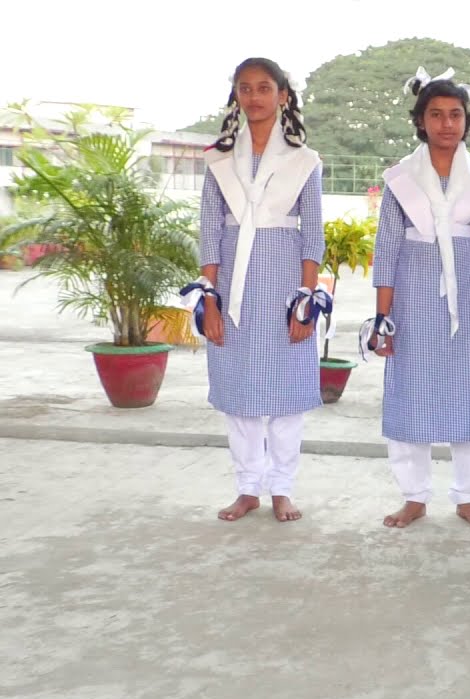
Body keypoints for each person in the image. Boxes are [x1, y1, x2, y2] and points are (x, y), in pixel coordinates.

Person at [366, 67, 470, 530]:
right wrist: (382, 318)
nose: (447, 124)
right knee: (411, 393)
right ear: (421, 121)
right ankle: (414, 497)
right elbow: (386, 249)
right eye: (436, 115)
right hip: (412, 304)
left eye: (455, 115)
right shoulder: (400, 181)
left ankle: (467, 497)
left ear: (467, 121)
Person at [193, 57, 324, 523]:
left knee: (287, 394)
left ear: (282, 95)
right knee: (240, 392)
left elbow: (313, 237)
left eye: (264, 87)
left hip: (285, 285)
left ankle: (282, 489)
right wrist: (209, 299)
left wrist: (305, 302)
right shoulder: (219, 159)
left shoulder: (304, 161)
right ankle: (248, 488)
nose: (254, 96)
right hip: (232, 287)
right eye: (244, 88)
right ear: (236, 96)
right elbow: (210, 232)